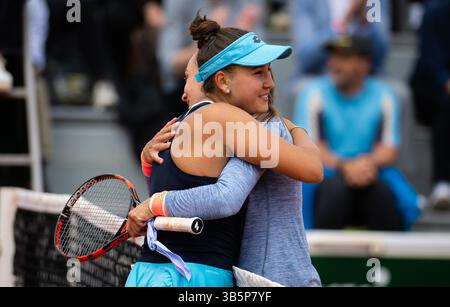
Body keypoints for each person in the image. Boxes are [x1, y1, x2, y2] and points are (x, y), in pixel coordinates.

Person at [125, 15, 323, 287]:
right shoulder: (230, 121)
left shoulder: (175, 129)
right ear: (222, 81)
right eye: (258, 72)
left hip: (145, 276)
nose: (271, 82)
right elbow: (313, 169)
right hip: (200, 280)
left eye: (269, 71)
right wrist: (294, 128)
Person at [293, 34, 421, 231]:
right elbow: (312, 148)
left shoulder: (384, 94)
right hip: (327, 172)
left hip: (370, 170)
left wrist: (364, 165)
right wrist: (346, 166)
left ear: (364, 64)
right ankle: (319, 258)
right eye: (333, 57)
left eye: (344, 57)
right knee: (335, 191)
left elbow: (388, 149)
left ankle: (388, 261)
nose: (334, 64)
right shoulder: (312, 92)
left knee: (384, 194)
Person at [159, 0, 264, 118]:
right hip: (179, 98)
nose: (269, 84)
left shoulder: (247, 5)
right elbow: (168, 63)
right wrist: (211, 40)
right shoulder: (180, 4)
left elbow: (260, 58)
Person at [409, 0, 450, 210]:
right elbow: (430, 60)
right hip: (430, 89)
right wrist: (445, 81)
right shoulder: (436, 11)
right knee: (447, 103)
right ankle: (443, 181)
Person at [291, 0, 391, 76]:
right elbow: (305, 57)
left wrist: (364, 21)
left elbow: (381, 54)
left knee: (397, 93)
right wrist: (343, 24)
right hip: (319, 75)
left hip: (366, 76)